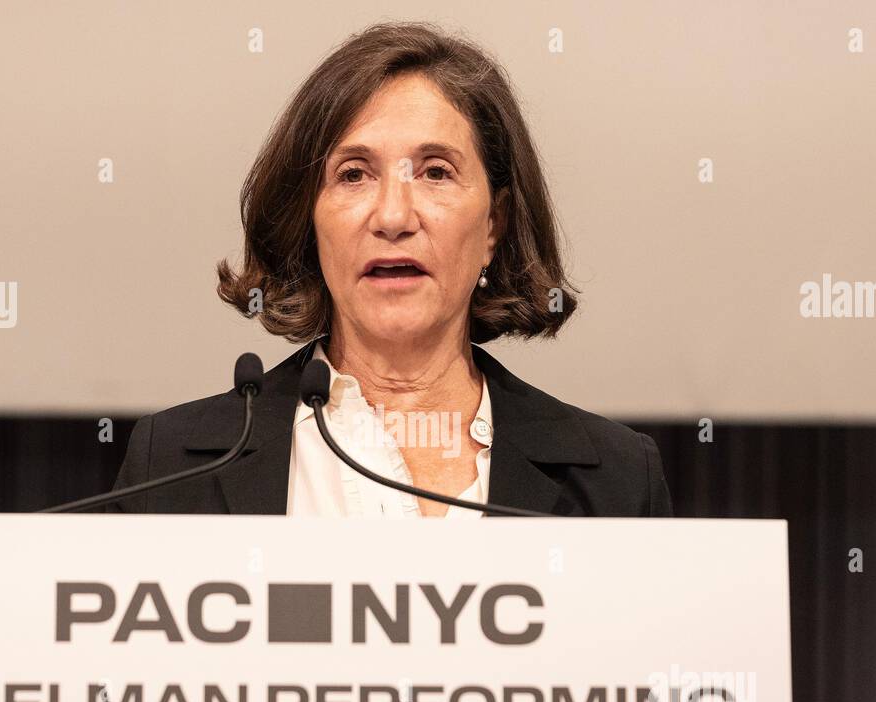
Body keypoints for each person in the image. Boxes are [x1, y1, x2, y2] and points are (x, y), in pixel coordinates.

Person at [110, 21, 673, 519]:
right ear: (308, 217)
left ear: (494, 224)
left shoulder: (617, 482)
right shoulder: (174, 468)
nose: (394, 216)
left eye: (435, 172)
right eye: (354, 175)